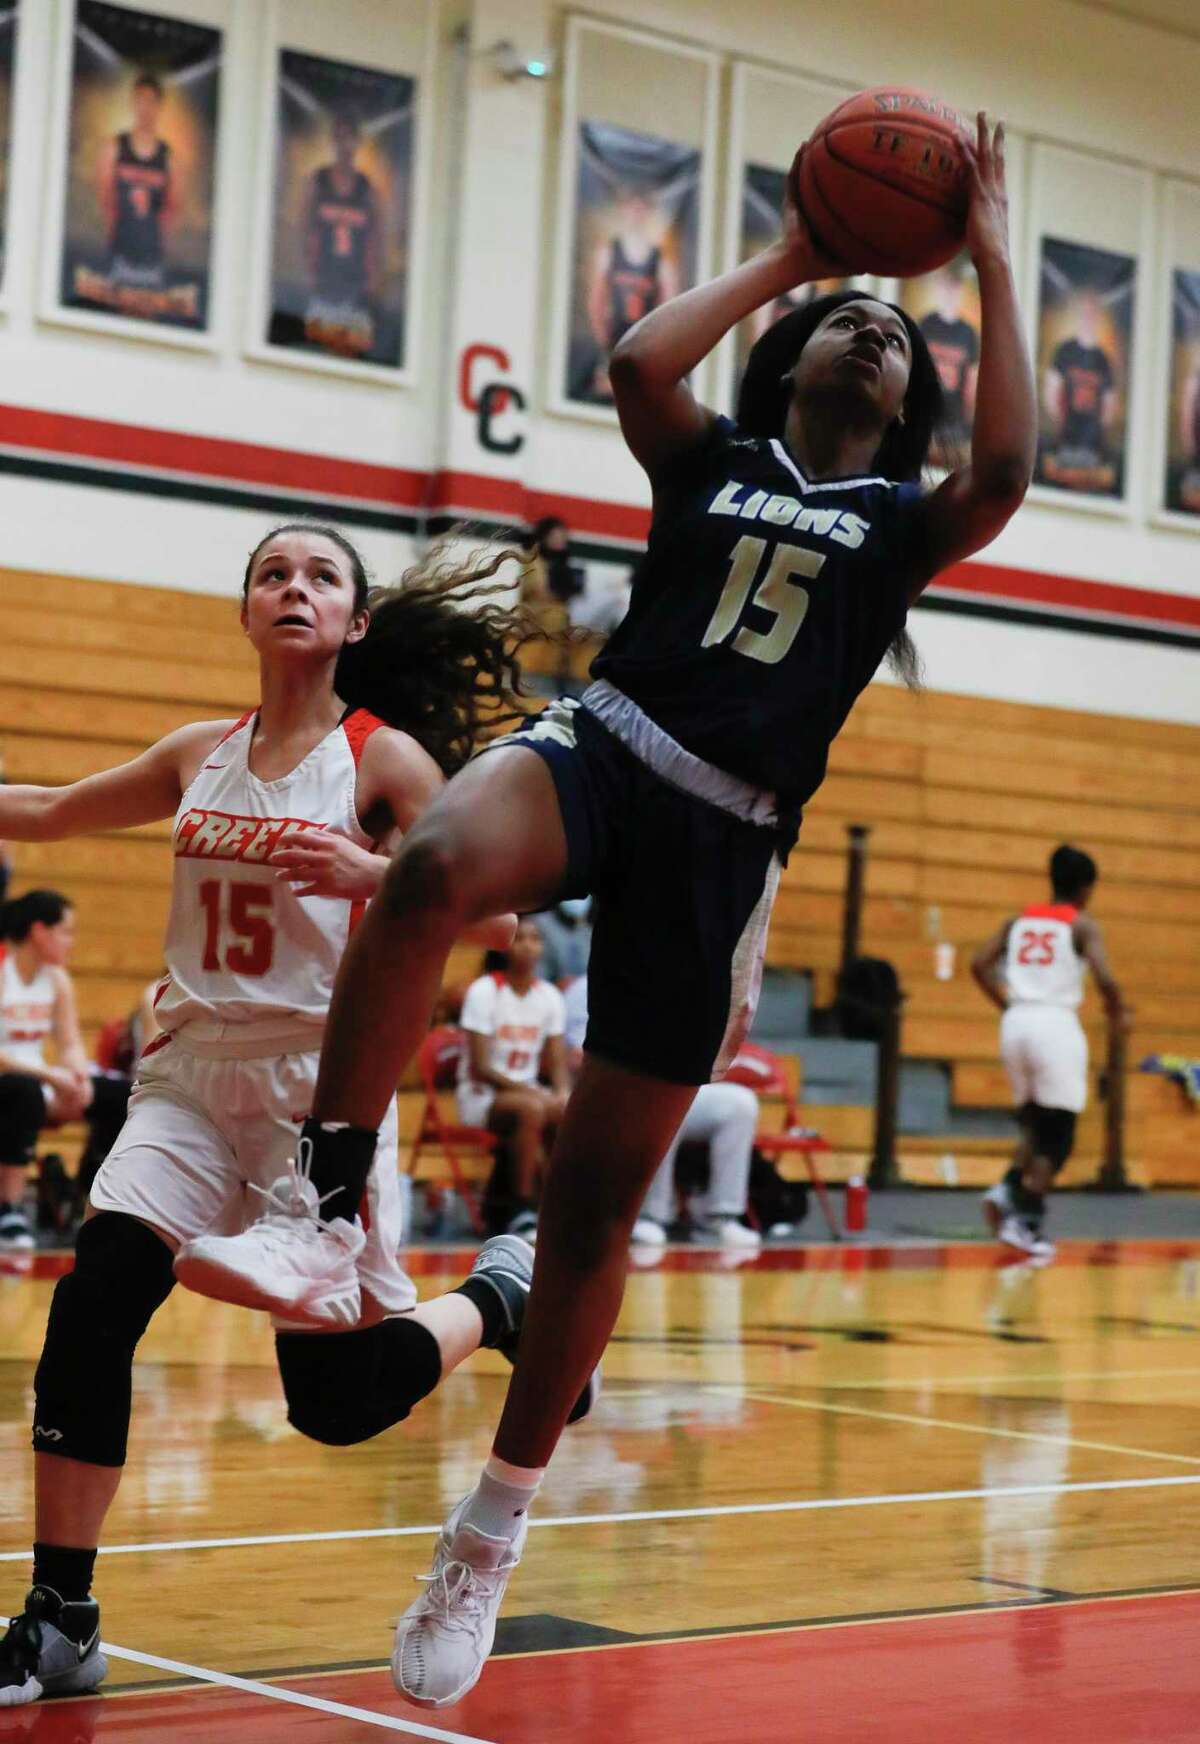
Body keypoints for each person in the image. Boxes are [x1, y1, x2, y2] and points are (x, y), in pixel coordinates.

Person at [181, 114, 1033, 1708]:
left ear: (910, 397)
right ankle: (321, 1206)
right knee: (430, 867)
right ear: (789, 360)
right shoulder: (714, 460)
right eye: (848, 319)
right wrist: (800, 249)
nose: (873, 332)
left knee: (589, 1212)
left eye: (898, 336)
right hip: (610, 747)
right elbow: (640, 363)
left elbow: (1007, 472)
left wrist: (982, 250)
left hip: (724, 841)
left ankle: (490, 1531)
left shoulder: (902, 527)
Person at [0, 523, 598, 1708]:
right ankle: (62, 1616)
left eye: (322, 576)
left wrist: (379, 875)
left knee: (333, 1402)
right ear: (245, 611)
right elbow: (53, 808)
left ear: (354, 623)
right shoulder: (198, 753)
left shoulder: (385, 761)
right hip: (185, 1080)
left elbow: (501, 921)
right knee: (92, 1305)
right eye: (272, 573)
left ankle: (500, 1295)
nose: (294, 587)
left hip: (320, 1100)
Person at [971, 844, 1129, 1259]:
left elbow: (978, 964)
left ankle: (1007, 1189)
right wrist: (1119, 1013)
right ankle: (1026, 1221)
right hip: (1054, 1025)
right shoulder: (1081, 926)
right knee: (1058, 1134)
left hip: (1016, 1022)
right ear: (1086, 888)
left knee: (1035, 1122)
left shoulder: (1017, 922)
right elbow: (1105, 978)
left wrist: (1007, 1005)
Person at [0, 890, 130, 1251]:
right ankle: (8, 1207)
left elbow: (70, 1043)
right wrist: (50, 1077)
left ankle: (90, 1195)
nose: (71, 941)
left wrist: (77, 1077)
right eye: (66, 932)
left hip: (36, 1078)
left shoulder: (56, 979)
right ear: (40, 932)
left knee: (123, 1096)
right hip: (13, 1082)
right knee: (24, 1092)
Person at [456, 919, 570, 1233]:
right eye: (521, 938)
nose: (529, 945)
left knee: (566, 1110)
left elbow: (557, 1062)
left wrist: (562, 1092)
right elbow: (481, 1068)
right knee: (531, 1109)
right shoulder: (483, 991)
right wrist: (532, 1092)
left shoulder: (549, 995)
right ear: (505, 946)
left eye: (535, 939)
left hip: (528, 1093)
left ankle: (561, 1206)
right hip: (481, 1095)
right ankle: (522, 1208)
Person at [585, 189, 680, 401]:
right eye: (632, 208)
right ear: (624, 210)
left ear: (648, 213)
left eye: (641, 209)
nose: (636, 214)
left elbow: (670, 307)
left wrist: (654, 341)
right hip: (614, 337)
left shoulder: (660, 260)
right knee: (606, 392)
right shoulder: (609, 252)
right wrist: (604, 339)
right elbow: (596, 301)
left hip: (642, 339)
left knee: (638, 396)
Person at [96, 73, 178, 289]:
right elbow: (105, 197)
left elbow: (171, 207)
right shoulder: (115, 147)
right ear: (133, 103)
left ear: (159, 106)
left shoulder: (168, 157)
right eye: (140, 100)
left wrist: (159, 243)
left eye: (150, 101)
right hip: (119, 256)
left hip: (152, 260)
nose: (145, 108)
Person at [305, 112, 382, 315]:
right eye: (339, 137)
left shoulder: (366, 188)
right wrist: (309, 270)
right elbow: (307, 229)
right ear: (333, 141)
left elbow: (374, 237)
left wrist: (372, 276)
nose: (344, 144)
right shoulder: (318, 181)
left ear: (356, 142)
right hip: (324, 283)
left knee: (351, 335)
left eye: (349, 137)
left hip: (355, 287)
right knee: (319, 333)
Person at [1042, 291, 1117, 464]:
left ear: (1097, 318)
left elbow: (1109, 404)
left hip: (1091, 446)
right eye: (1085, 313)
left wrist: (1097, 431)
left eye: (1092, 314)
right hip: (1066, 441)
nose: (1088, 318)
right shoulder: (1064, 351)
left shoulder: (1103, 360)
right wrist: (1060, 421)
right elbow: (1050, 391)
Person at [917, 265, 979, 450]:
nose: (949, 292)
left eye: (954, 287)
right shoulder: (926, 324)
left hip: (955, 419)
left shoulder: (968, 332)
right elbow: (915, 367)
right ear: (939, 289)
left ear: (959, 290)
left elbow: (971, 380)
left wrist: (968, 417)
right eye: (946, 286)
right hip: (925, 411)